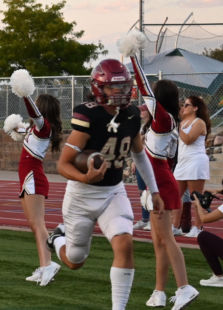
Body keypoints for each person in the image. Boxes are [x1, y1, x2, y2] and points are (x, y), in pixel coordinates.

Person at [49, 57, 163, 310]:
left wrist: (153, 190)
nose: (121, 92)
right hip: (81, 195)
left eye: (124, 87)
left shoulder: (132, 115)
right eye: (114, 87)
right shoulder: (89, 115)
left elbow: (140, 156)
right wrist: (85, 177)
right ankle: (57, 239)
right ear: (99, 88)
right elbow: (63, 164)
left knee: (124, 243)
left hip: (113, 192)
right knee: (75, 260)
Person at [129, 54, 199, 308]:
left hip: (159, 182)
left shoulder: (163, 119)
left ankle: (184, 287)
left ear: (159, 100)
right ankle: (159, 291)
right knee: (158, 240)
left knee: (166, 239)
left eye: (151, 98)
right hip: (156, 181)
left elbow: (144, 88)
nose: (146, 101)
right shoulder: (161, 122)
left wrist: (134, 57)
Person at [5, 69, 64, 287]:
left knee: (38, 223)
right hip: (27, 178)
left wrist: (24, 93)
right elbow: (20, 129)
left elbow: (34, 114)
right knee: (33, 224)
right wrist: (13, 126)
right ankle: (44, 265)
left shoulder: (43, 128)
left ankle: (49, 265)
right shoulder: (33, 130)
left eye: (38, 107)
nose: (34, 111)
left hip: (33, 178)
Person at [174, 95, 211, 238]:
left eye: (187, 105)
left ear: (195, 108)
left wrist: (177, 126)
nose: (184, 107)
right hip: (182, 162)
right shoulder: (182, 121)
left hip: (196, 161)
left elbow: (188, 140)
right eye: (183, 105)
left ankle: (198, 227)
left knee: (196, 197)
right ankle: (175, 226)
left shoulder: (199, 122)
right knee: (175, 196)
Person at [132, 104, 152, 231]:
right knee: (142, 192)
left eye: (143, 110)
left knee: (151, 191)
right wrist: (134, 161)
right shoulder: (140, 127)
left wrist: (143, 140)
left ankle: (152, 219)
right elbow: (137, 145)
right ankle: (145, 219)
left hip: (150, 161)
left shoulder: (153, 126)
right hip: (141, 161)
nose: (141, 112)